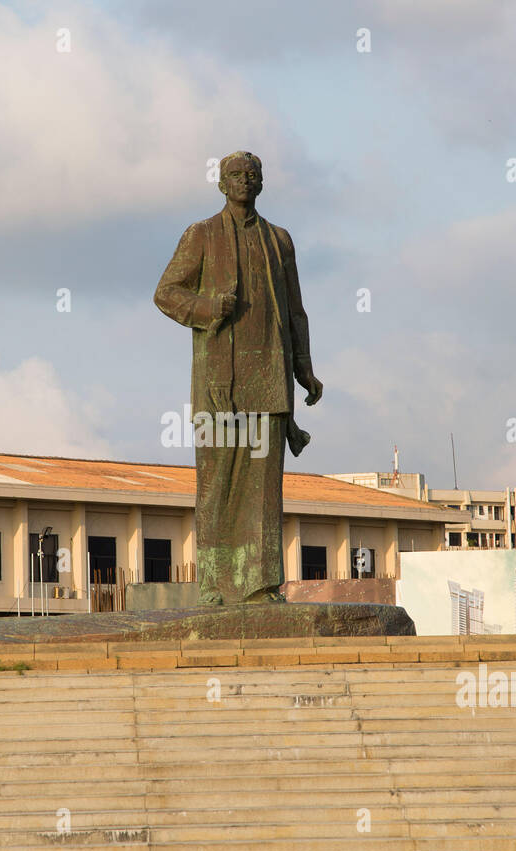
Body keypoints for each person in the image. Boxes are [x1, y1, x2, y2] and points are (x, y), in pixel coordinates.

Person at [154, 151, 323, 605]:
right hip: (218, 386)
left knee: (264, 493)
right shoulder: (202, 234)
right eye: (236, 176)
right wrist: (208, 308)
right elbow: (166, 293)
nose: (245, 181)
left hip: (269, 382)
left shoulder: (280, 240)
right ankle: (214, 586)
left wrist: (304, 368)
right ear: (221, 184)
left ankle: (261, 586)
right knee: (217, 487)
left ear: (262, 184)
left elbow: (295, 311)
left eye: (253, 176)